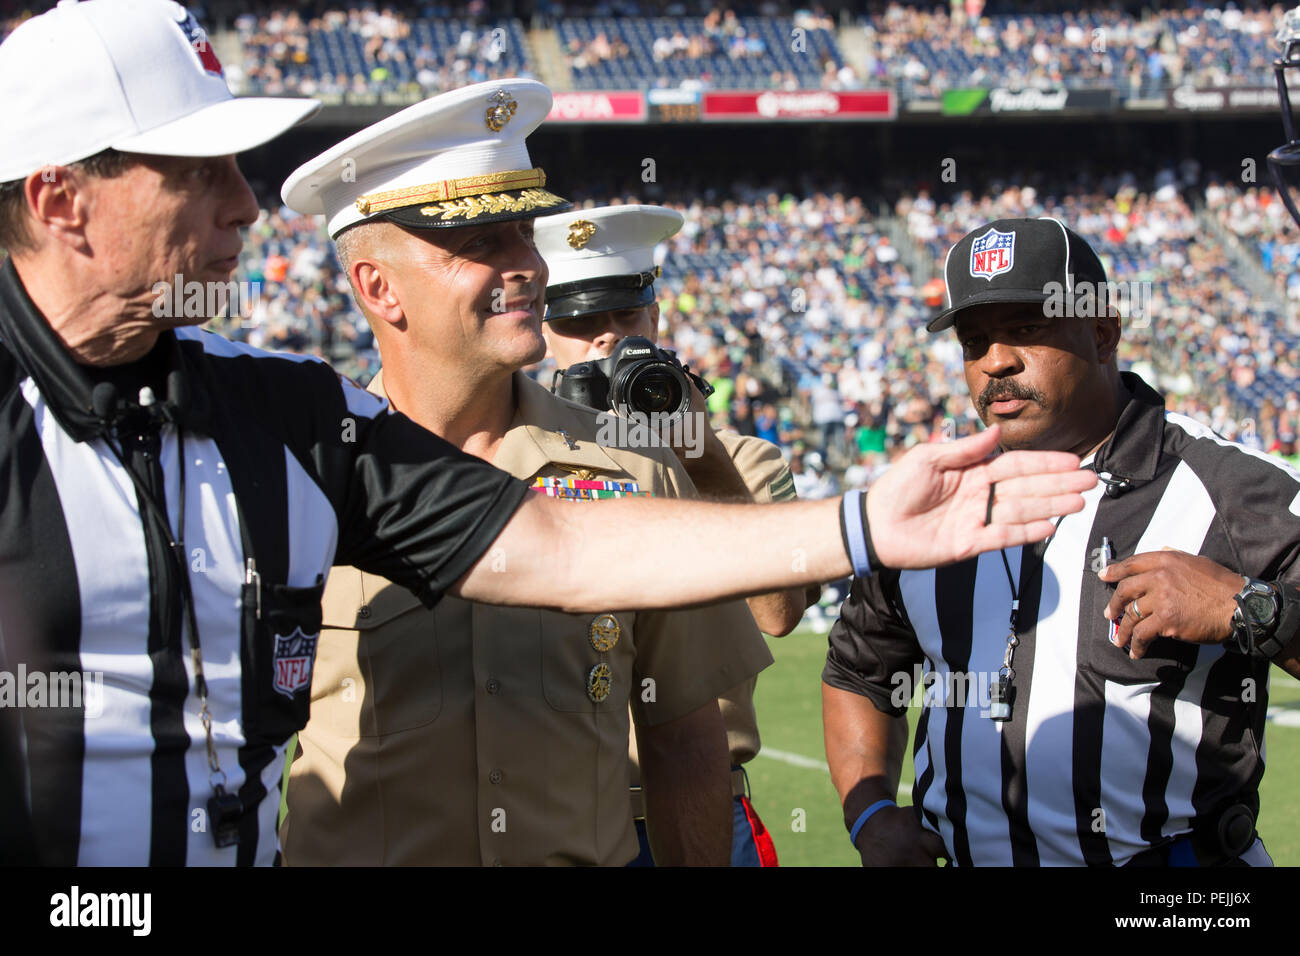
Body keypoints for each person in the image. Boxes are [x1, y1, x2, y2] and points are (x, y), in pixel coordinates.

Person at [0, 0, 1094, 866]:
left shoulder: (282, 416)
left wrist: (859, 519)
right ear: (60, 199)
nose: (243, 206)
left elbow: (554, 547)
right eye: (199, 170)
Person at [277, 83, 771, 866]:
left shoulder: (633, 468)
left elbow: (685, 740)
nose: (528, 268)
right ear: (378, 286)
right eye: (480, 243)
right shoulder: (300, 477)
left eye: (523, 235)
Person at [822, 217, 1300, 868]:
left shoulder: (1231, 488)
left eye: (1027, 330)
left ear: (1103, 334)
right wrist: (871, 813)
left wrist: (1252, 611)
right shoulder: (924, 498)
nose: (996, 361)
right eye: (975, 340)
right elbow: (859, 671)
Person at [534, 203, 813, 866]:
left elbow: (777, 614)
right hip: (557, 815)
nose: (605, 340)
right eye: (577, 323)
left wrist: (698, 450)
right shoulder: (520, 458)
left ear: (655, 319)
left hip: (703, 803)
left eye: (625, 317)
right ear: (543, 334)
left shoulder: (743, 459)